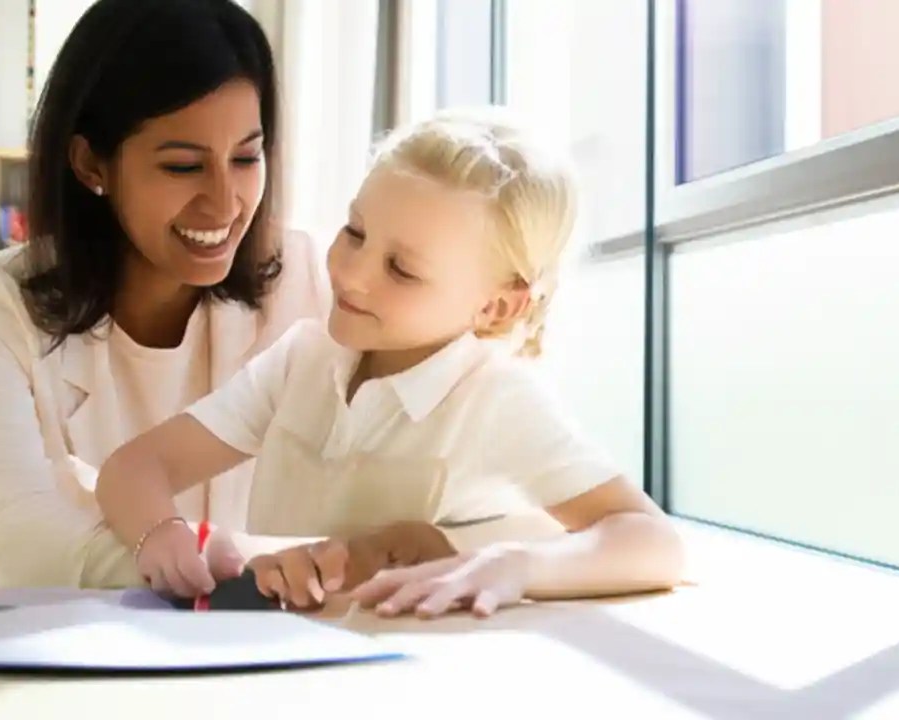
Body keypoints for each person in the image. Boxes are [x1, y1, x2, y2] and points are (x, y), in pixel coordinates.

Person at [0, 0, 457, 590]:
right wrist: (227, 579)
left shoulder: (317, 282)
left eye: (246, 158)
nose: (226, 203)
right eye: (183, 166)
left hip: (290, 641)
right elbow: (26, 537)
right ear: (90, 163)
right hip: (89, 648)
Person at [95, 108, 685, 618]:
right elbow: (135, 467)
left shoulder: (497, 398)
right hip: (283, 658)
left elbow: (652, 541)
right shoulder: (301, 359)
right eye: (354, 232)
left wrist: (515, 565)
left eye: (402, 270)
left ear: (497, 306)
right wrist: (161, 535)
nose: (351, 273)